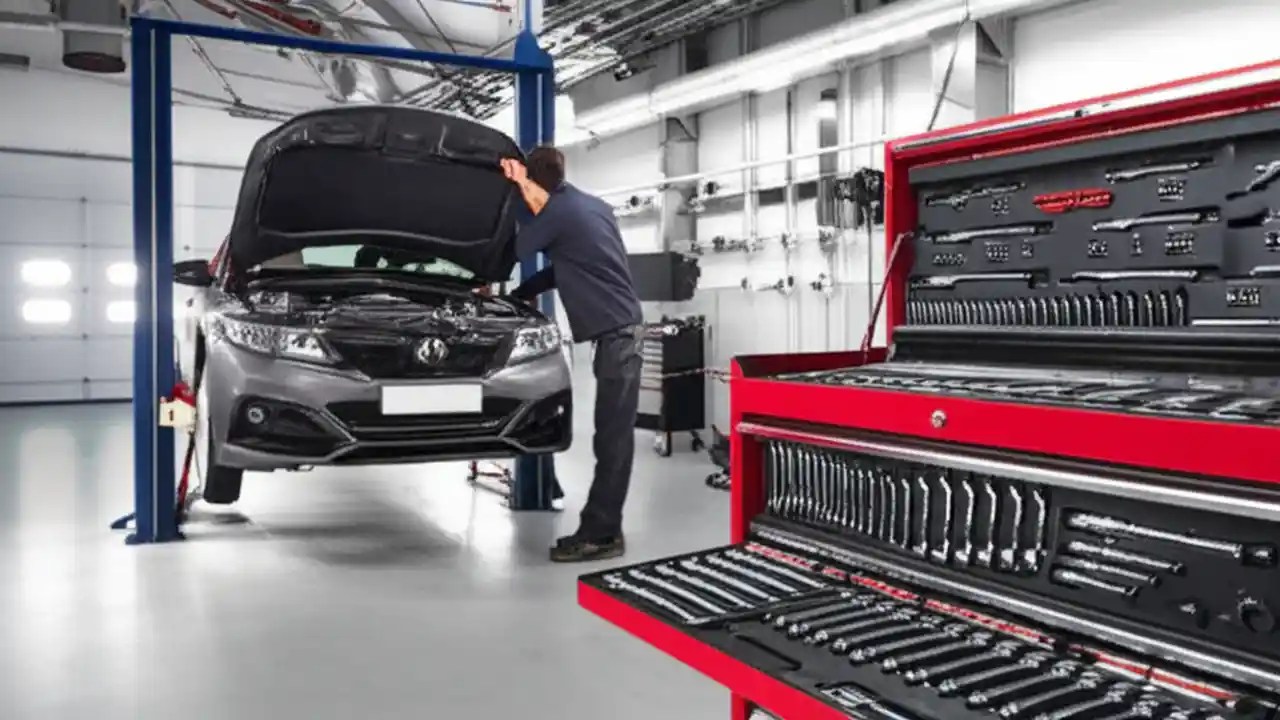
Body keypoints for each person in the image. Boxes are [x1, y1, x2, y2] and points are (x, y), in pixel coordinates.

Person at [500, 146, 643, 563]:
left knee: (612, 440)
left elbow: (513, 251)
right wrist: (522, 294)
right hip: (623, 332)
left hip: (618, 337)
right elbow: (571, 263)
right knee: (611, 437)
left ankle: (601, 535)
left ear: (536, 183)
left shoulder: (557, 214)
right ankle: (603, 528)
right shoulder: (591, 206)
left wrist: (514, 195)